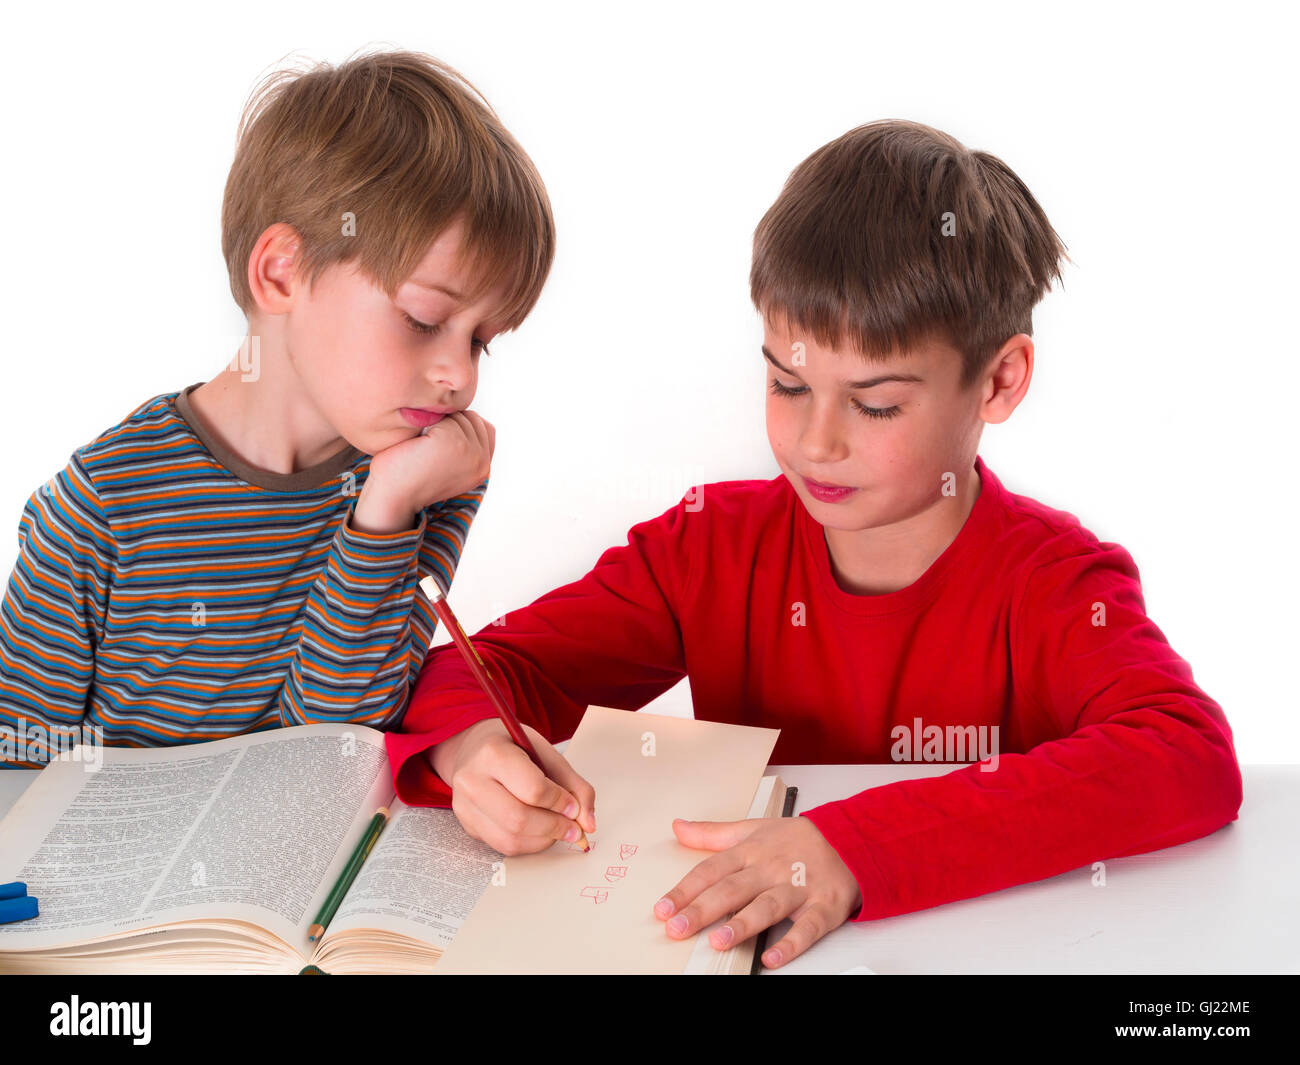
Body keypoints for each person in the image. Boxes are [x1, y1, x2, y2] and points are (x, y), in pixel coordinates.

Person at [386, 119, 1242, 970]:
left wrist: (853, 844)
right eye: (787, 383)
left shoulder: (1052, 580)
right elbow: (479, 669)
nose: (815, 442)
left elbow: (1187, 755)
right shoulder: (706, 548)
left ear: (999, 380)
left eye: (874, 405)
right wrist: (472, 750)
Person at [0, 49, 554, 767]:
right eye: (423, 319)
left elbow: (333, 743)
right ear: (281, 273)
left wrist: (382, 515)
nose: (458, 376)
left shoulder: (425, 476)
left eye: (481, 341)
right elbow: (15, 782)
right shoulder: (105, 504)